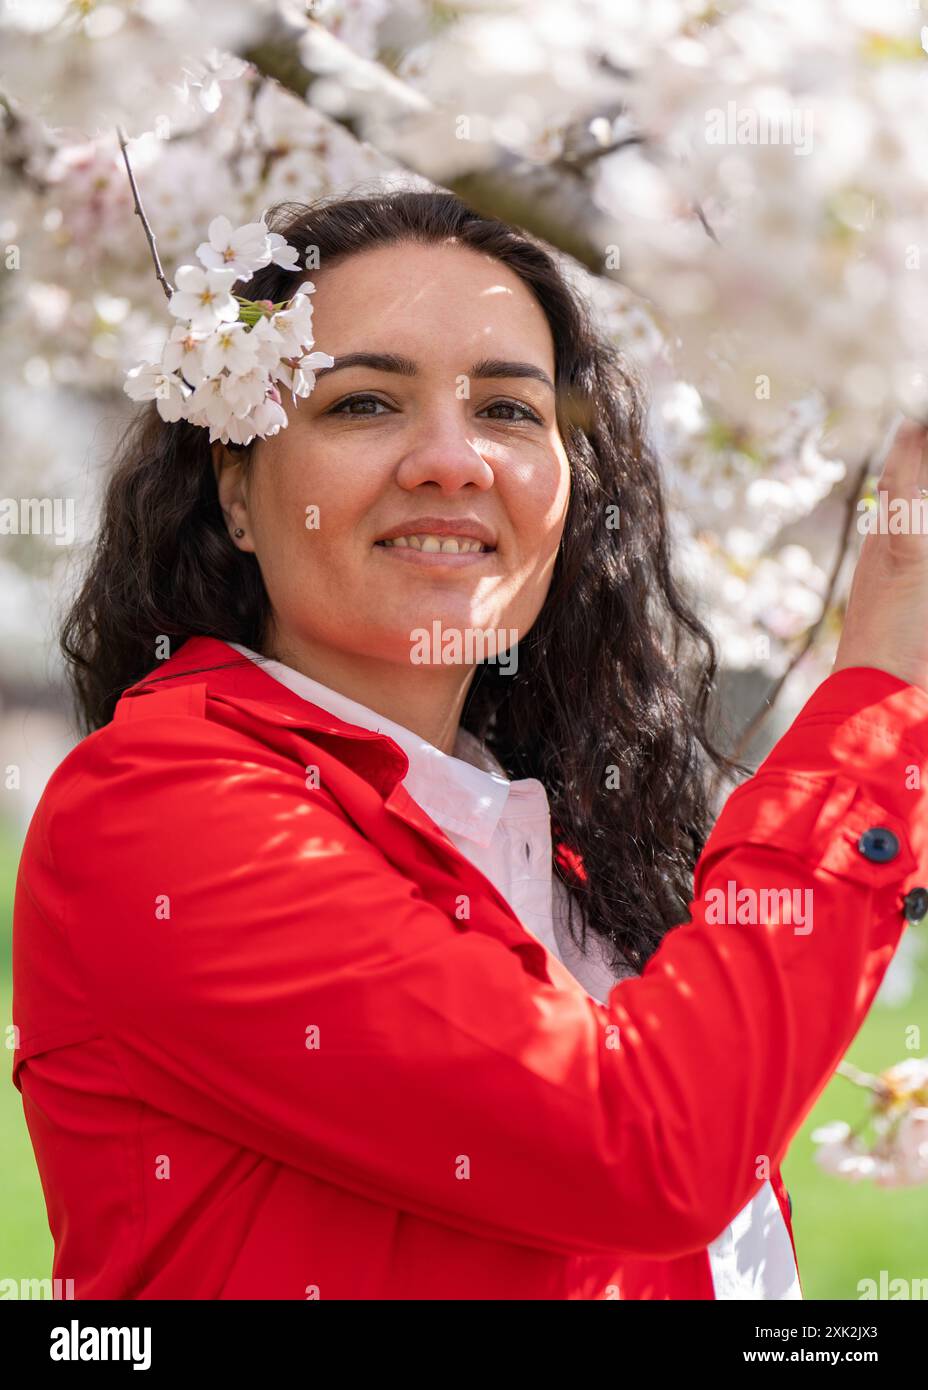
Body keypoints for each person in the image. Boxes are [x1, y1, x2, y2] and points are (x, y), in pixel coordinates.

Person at [12, 188, 928, 1300]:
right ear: (238, 489)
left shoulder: (560, 848)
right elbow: (643, 1148)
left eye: (506, 409)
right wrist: (878, 692)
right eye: (362, 404)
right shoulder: (158, 811)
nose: (452, 461)